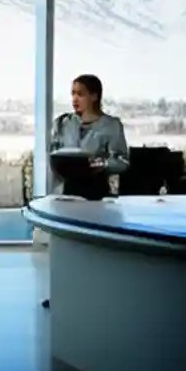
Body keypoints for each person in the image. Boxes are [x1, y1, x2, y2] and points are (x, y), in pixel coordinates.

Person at [41, 74, 130, 308]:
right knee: (65, 249)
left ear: (94, 96)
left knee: (93, 249)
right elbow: (54, 156)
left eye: (80, 94)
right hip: (66, 192)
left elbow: (122, 162)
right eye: (72, 93)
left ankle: (96, 296)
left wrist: (100, 164)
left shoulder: (111, 126)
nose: (75, 99)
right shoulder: (62, 124)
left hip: (95, 194)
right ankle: (61, 295)